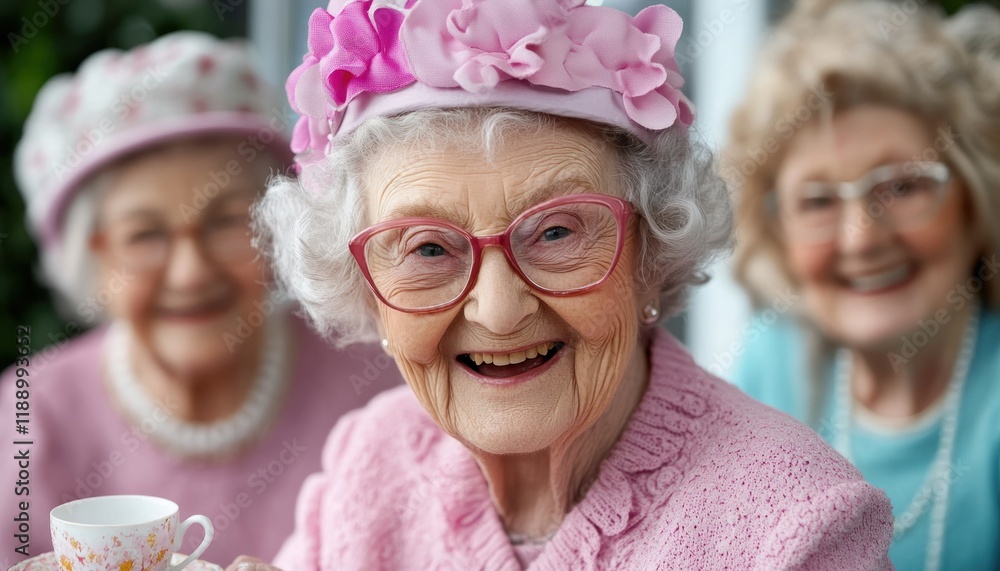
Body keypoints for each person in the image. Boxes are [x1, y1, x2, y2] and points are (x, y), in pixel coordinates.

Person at [224, 1, 895, 569]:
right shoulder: (368, 462)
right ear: (366, 289)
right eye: (427, 247)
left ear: (650, 253)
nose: (499, 310)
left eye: (555, 233)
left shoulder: (794, 529)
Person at [0, 31, 400, 566]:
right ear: (95, 253)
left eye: (225, 222)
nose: (190, 273)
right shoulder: (33, 416)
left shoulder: (376, 379)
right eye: (146, 235)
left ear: (274, 224)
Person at [727, 1, 1000, 569]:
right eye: (818, 201)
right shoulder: (769, 370)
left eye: (902, 187)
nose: (861, 240)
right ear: (776, 230)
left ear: (977, 196)